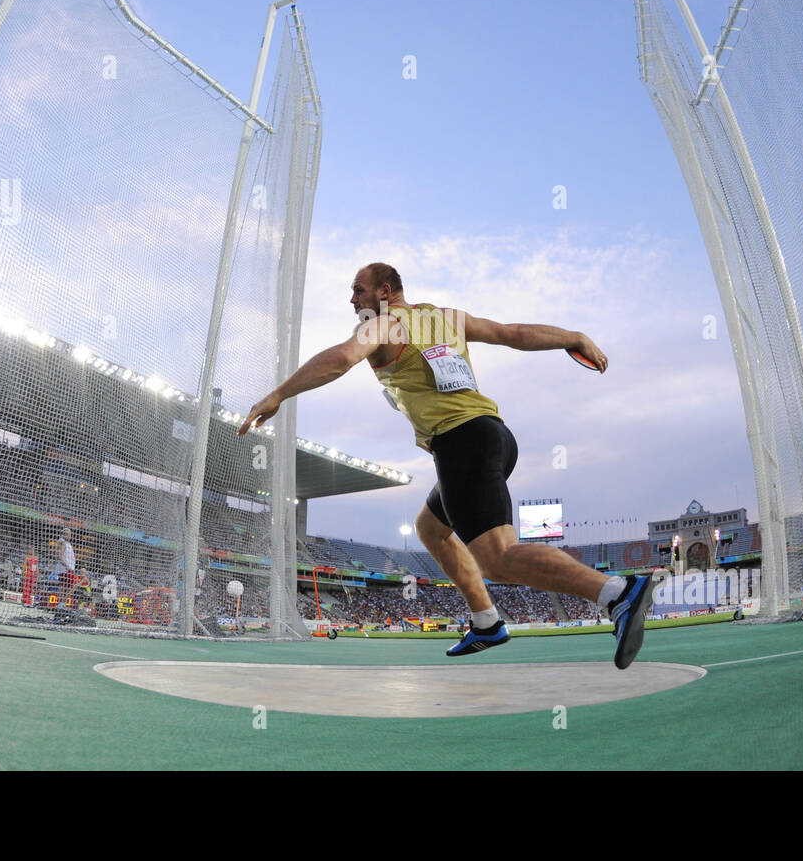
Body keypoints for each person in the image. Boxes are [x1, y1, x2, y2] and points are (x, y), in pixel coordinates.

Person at [238, 263, 663, 670]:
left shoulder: (382, 324)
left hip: (462, 443)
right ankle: (486, 622)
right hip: (494, 436)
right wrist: (573, 336)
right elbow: (511, 333)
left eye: (358, 289)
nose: (352, 299)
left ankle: (617, 592)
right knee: (430, 528)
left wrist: (278, 394)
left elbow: (341, 359)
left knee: (498, 559)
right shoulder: (446, 318)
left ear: (385, 292)